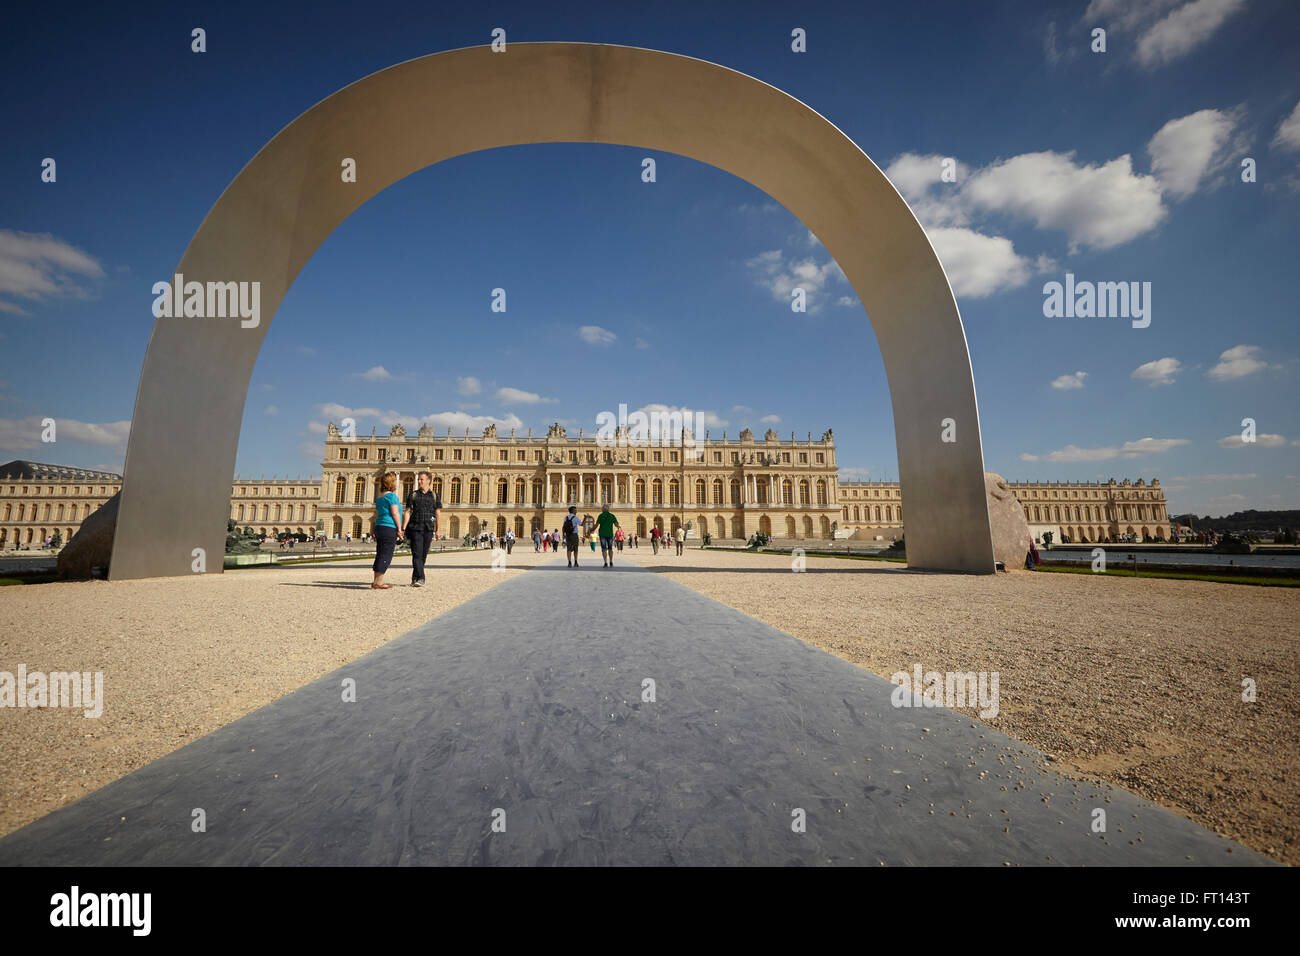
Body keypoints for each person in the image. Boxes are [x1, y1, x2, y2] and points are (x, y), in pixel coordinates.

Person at [402, 471, 441, 588]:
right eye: (418, 479)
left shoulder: (434, 495)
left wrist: (438, 530)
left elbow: (438, 513)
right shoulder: (413, 495)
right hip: (415, 527)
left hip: (428, 528)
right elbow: (407, 512)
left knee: (423, 554)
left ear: (428, 481)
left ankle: (415, 577)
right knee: (417, 553)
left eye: (421, 479)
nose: (419, 481)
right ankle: (421, 578)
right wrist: (403, 527)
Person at [371, 471, 403, 589]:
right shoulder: (392, 496)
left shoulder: (380, 497)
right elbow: (395, 513)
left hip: (379, 526)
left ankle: (376, 581)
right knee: (386, 555)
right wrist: (399, 529)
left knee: (380, 554)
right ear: (391, 483)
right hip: (389, 527)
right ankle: (379, 583)